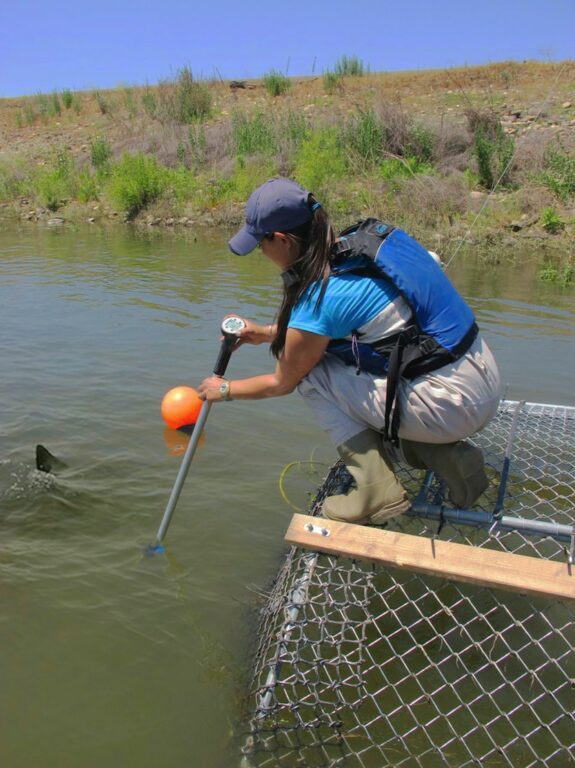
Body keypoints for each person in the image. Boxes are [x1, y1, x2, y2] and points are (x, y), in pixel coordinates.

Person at [197, 178, 501, 524]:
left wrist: (223, 390)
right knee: (336, 359)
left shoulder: (320, 299)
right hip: (481, 377)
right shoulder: (363, 247)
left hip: (451, 404)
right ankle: (440, 453)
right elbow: (372, 323)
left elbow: (281, 382)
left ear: (281, 240)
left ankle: (376, 490)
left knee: (311, 374)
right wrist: (266, 333)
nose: (262, 254)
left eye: (259, 245)